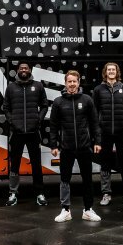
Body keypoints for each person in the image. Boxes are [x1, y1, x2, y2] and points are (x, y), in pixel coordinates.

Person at [50, 70, 101, 222]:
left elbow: (94, 123)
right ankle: (65, 210)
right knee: (65, 179)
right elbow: (53, 126)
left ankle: (88, 210)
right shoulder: (58, 102)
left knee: (87, 179)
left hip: (85, 147)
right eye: (69, 81)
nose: (72, 84)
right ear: (65, 83)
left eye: (74, 81)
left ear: (79, 83)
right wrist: (53, 145)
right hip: (66, 148)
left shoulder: (87, 100)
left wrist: (97, 141)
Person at [2, 61, 49, 206]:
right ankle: (13, 193)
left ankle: (39, 193)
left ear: (29, 70)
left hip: (33, 132)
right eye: (21, 68)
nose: (24, 70)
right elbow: (6, 107)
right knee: (14, 165)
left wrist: (38, 120)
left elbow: (45, 105)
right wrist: (12, 122)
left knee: (36, 165)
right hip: (16, 133)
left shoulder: (38, 86)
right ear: (18, 70)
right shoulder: (11, 87)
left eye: (26, 68)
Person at [91, 62, 123, 206]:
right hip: (105, 133)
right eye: (109, 70)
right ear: (105, 72)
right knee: (105, 164)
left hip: (121, 133)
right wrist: (97, 134)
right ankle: (106, 193)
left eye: (113, 70)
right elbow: (94, 115)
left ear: (117, 72)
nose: (111, 72)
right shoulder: (98, 90)